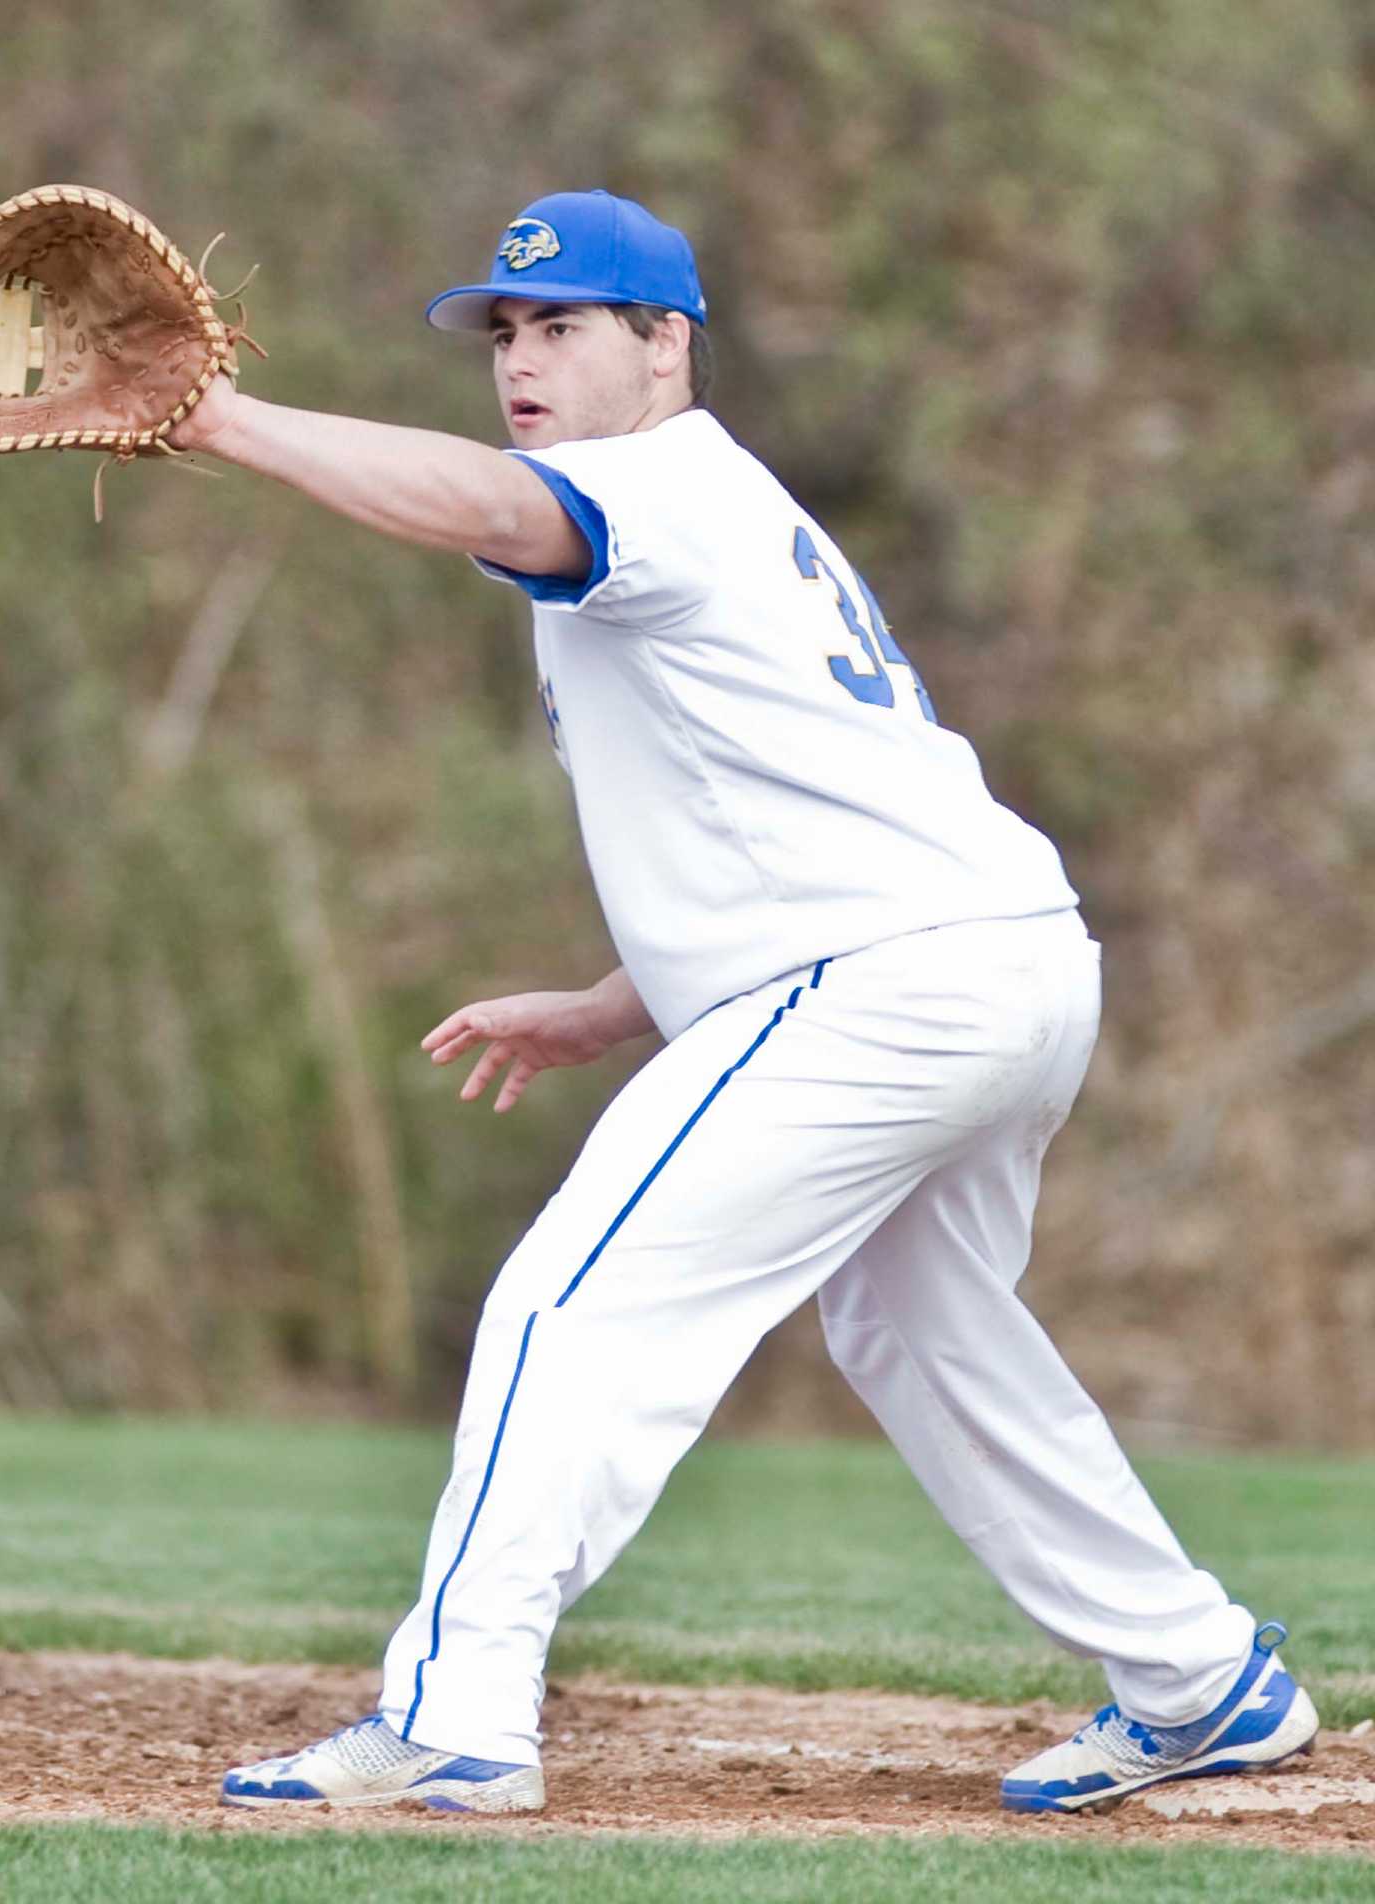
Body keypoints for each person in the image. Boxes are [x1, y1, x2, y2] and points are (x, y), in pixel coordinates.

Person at [169, 190, 1317, 1817]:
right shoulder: (715, 509)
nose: (520, 360)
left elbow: (476, 500)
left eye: (563, 325)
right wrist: (612, 1002)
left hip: (895, 987)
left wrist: (222, 420)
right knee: (922, 1332)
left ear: (668, 346)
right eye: (505, 332)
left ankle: (455, 1714)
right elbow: (792, 817)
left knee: (572, 1307)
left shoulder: (655, 490)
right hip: (998, 954)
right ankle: (1201, 1679)